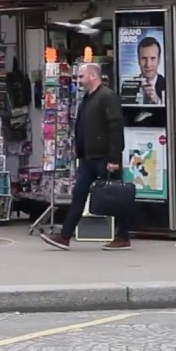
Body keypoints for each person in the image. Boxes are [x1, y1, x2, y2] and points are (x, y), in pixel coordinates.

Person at [41, 62, 133, 251]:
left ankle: (123, 236)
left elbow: (115, 128)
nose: (79, 81)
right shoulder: (87, 99)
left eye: (81, 77)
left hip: (104, 157)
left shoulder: (107, 97)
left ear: (92, 76)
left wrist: (114, 159)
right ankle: (65, 236)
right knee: (79, 195)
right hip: (89, 157)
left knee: (116, 197)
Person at [132, 36, 165, 105]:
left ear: (159, 60)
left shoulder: (167, 85)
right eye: (144, 58)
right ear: (138, 60)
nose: (148, 64)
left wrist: (158, 102)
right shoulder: (129, 85)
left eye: (152, 58)